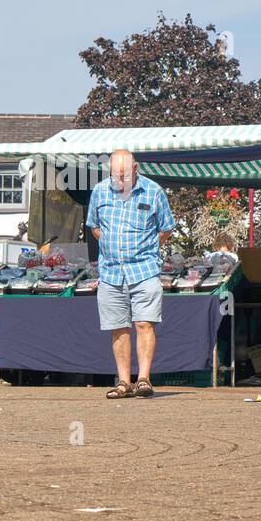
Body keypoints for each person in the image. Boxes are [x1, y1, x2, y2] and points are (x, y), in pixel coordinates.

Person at [86, 149, 175, 399]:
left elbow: (166, 227)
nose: (120, 180)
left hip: (144, 269)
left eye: (124, 175)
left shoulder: (153, 191)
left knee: (144, 323)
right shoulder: (100, 191)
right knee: (118, 327)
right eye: (116, 175)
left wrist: (147, 245)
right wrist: (110, 245)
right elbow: (93, 226)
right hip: (111, 271)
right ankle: (124, 382)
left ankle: (144, 379)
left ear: (135, 169)